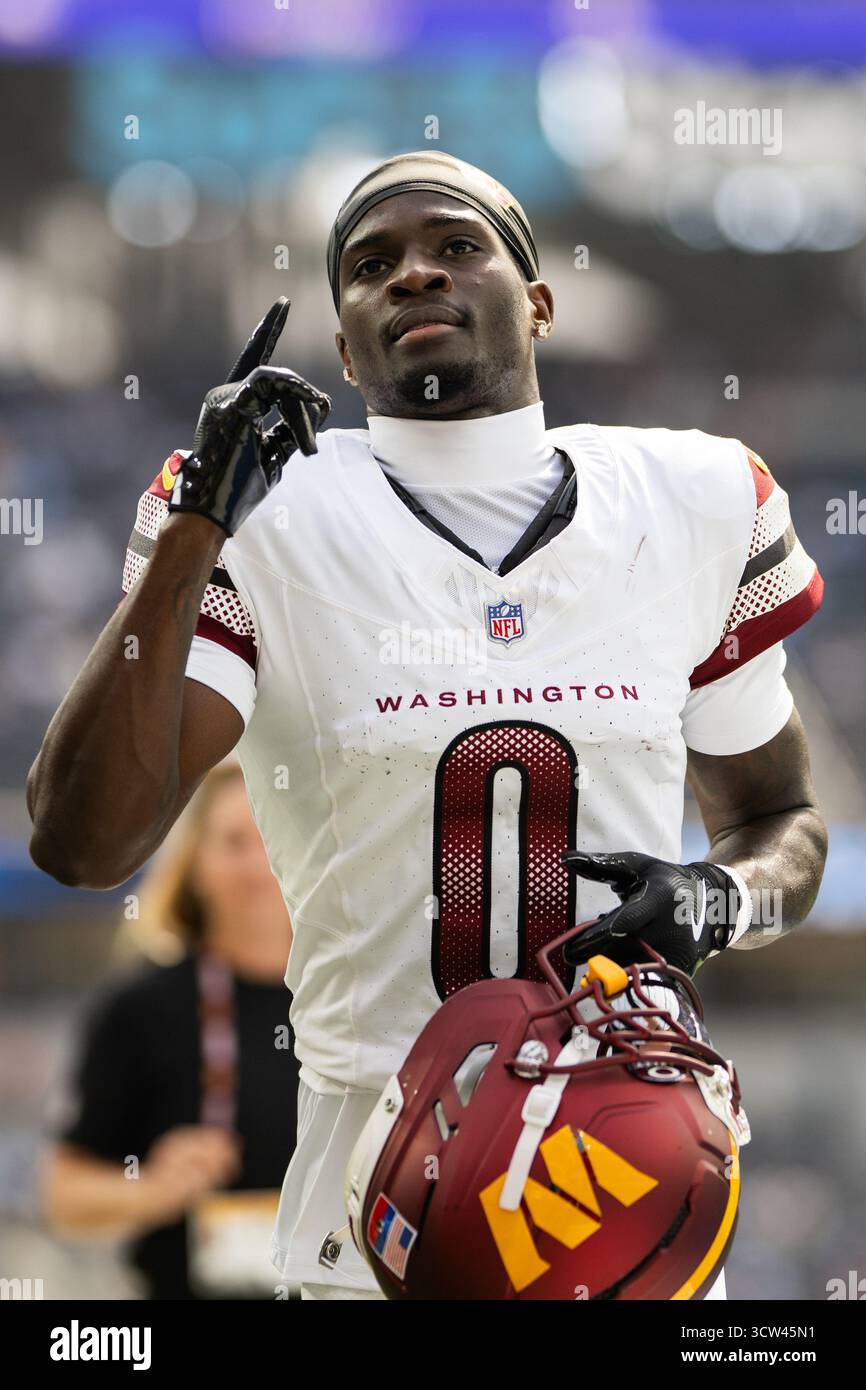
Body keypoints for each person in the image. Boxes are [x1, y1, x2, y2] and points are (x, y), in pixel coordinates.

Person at [27, 151, 827, 1301]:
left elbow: (779, 819)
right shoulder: (268, 518)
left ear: (537, 301)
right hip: (371, 1223)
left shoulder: (691, 500)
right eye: (370, 265)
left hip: (622, 1206)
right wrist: (201, 521)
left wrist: (720, 897)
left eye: (456, 246)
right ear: (344, 349)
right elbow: (82, 843)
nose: (413, 275)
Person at [42, 761, 300, 1300]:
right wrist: (151, 1188)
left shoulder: (355, 1003)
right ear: (195, 863)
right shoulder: (138, 1010)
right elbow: (63, 1196)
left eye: (272, 840)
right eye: (233, 843)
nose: (258, 866)